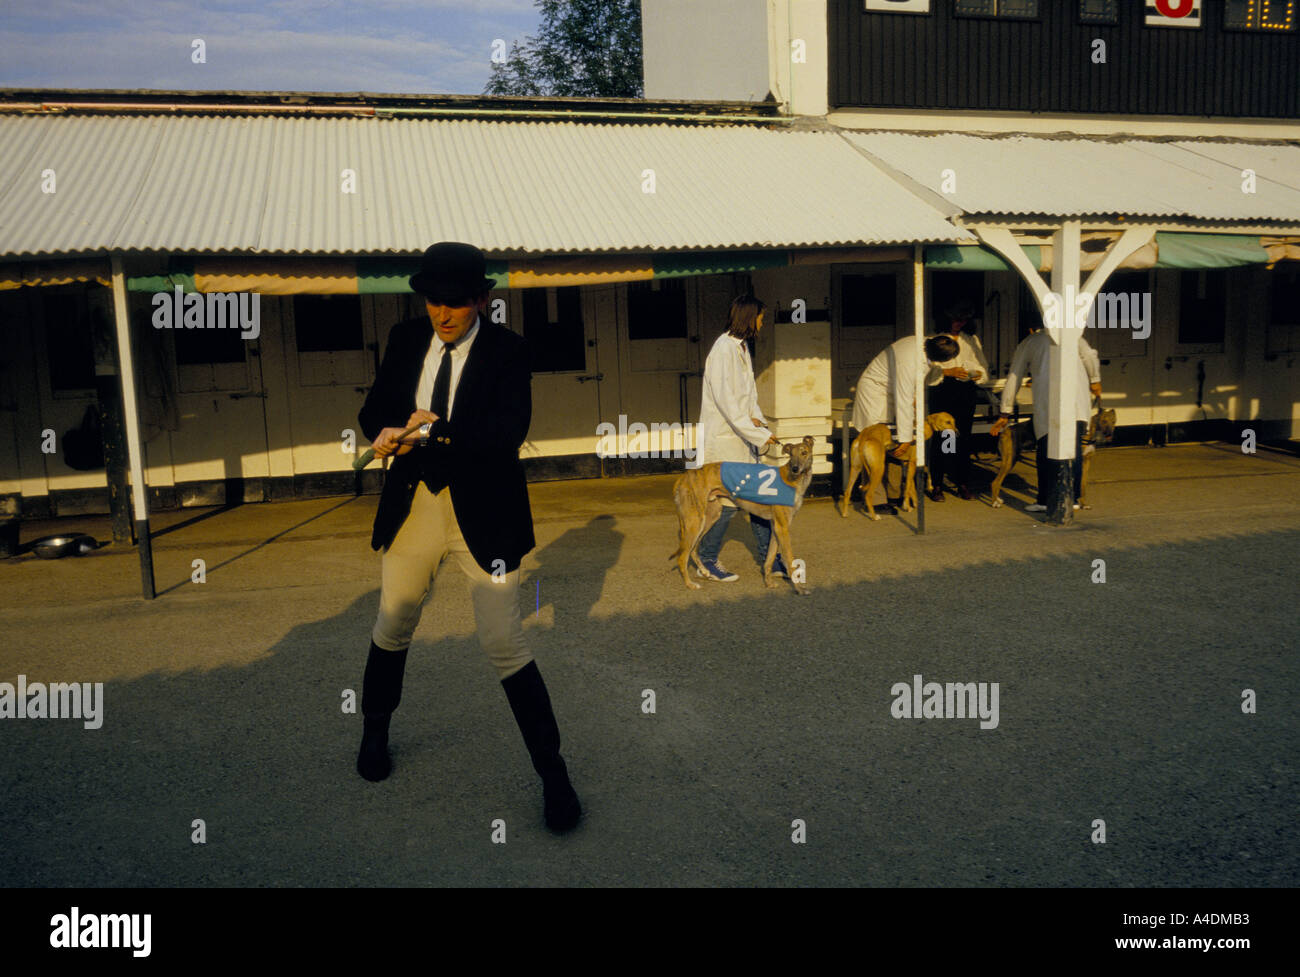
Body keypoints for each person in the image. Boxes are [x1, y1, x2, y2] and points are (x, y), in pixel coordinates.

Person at [354, 241, 581, 833]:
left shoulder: (510, 350)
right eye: (434, 301)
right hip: (415, 506)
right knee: (393, 623)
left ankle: (553, 774)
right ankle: (374, 731)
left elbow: (506, 433)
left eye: (456, 302)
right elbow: (376, 404)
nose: (443, 313)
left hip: (485, 512)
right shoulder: (405, 340)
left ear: (484, 299)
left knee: (505, 641)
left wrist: (437, 433)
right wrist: (386, 430)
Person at [692, 294, 783, 583]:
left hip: (742, 437)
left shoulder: (741, 347)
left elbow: (749, 397)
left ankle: (774, 559)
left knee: (756, 498)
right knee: (727, 504)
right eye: (760, 317)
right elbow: (728, 403)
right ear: (748, 317)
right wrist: (761, 434)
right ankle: (705, 560)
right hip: (725, 440)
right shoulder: (722, 350)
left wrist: (760, 424)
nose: (762, 322)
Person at [990, 327, 1102, 514]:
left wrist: (1005, 411)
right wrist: (1095, 379)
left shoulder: (1030, 342)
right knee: (1073, 450)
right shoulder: (1074, 336)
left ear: (1031, 328)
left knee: (1045, 453)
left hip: (1049, 406)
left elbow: (1014, 376)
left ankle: (1044, 499)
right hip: (1077, 404)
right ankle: (1073, 498)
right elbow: (1090, 356)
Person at [850, 333, 960, 504]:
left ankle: (893, 494)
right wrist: (906, 438)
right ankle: (876, 501)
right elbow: (904, 399)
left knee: (895, 449)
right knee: (874, 446)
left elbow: (914, 385)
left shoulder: (927, 345)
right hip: (876, 395)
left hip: (893, 393)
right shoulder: (909, 360)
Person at [928, 301, 993, 502]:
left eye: (963, 320)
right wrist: (948, 372)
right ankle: (937, 484)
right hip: (944, 391)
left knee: (963, 440)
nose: (959, 323)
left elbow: (983, 368)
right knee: (945, 440)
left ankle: (962, 483)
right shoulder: (934, 340)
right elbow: (927, 371)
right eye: (956, 319)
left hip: (965, 392)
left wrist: (978, 375)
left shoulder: (971, 339)